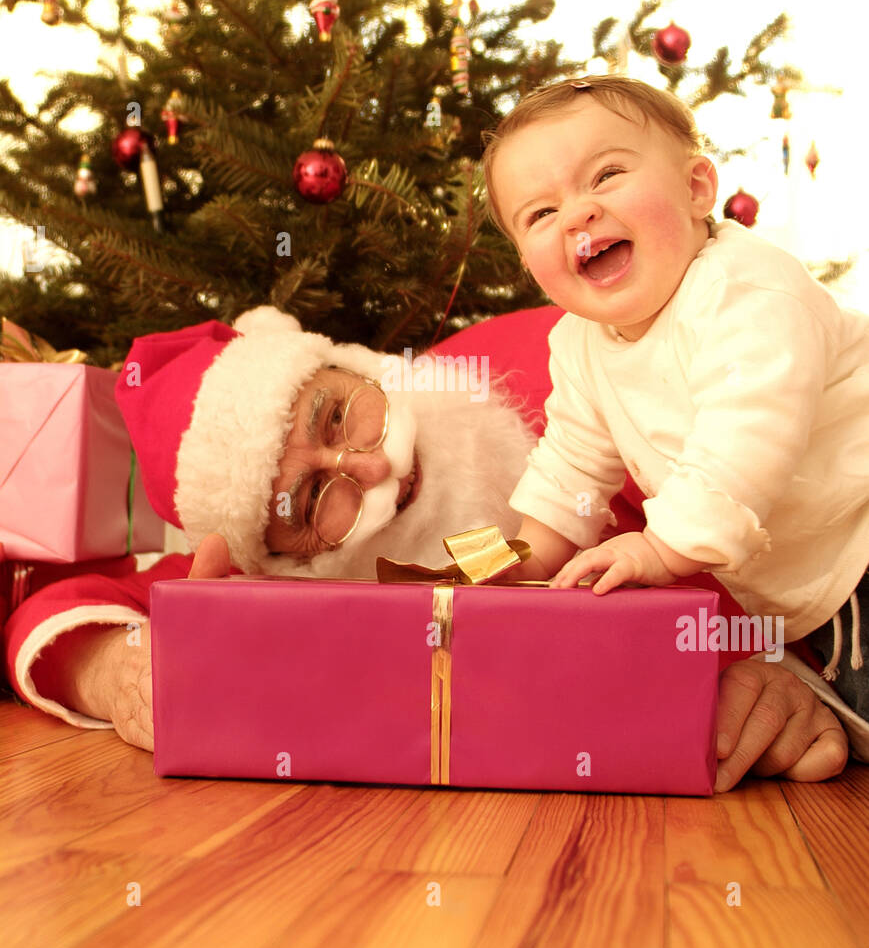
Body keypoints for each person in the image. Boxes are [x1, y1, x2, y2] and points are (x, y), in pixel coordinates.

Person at [1, 297, 858, 785]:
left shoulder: (558, 349)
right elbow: (55, 603)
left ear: (355, 361)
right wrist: (116, 670)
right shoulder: (293, 578)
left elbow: (793, 438)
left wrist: (779, 657)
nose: (368, 470)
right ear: (288, 564)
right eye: (307, 501)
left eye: (338, 414)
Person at [481, 73, 869, 775]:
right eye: (540, 214)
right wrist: (514, 563)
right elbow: (567, 468)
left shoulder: (741, 286)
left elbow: (748, 429)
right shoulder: (579, 345)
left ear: (695, 190)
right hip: (820, 596)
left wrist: (659, 553)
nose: (578, 214)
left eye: (606, 175)